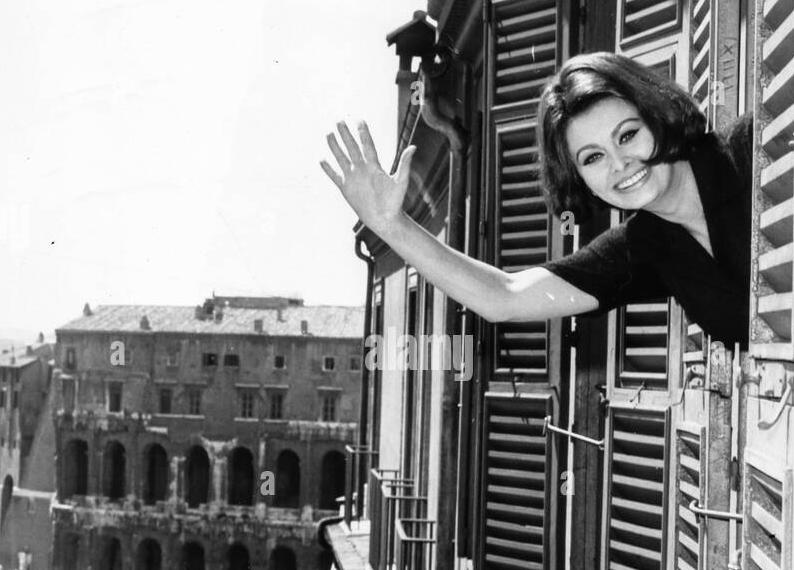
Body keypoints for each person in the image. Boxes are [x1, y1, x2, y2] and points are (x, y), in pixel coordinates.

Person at [320, 52, 752, 348]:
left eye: (627, 135)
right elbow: (504, 298)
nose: (619, 164)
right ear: (580, 177)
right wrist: (392, 225)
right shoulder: (646, 246)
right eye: (593, 157)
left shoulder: (753, 149)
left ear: (658, 116)